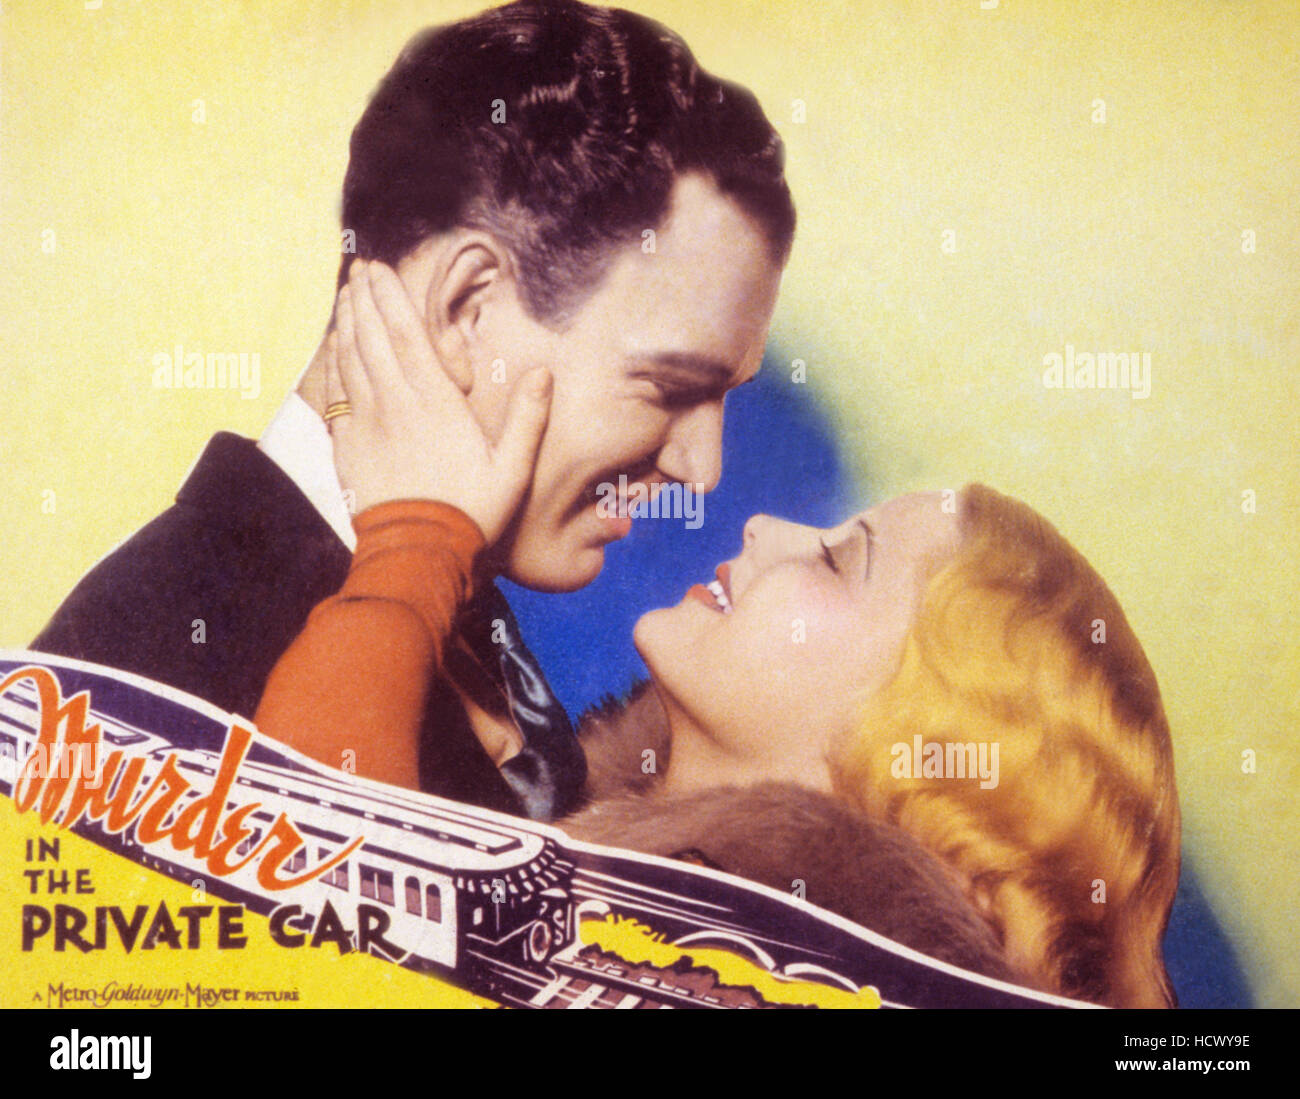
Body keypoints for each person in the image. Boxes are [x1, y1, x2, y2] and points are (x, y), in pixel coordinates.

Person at [252, 262, 1182, 1008]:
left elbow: (288, 905)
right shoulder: (586, 834)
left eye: (834, 561)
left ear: (927, 777)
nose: (763, 528)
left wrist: (413, 541)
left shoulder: (731, 979)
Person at [29, 0, 794, 821]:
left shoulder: (472, 631)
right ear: (467, 308)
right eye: (672, 388)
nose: (703, 468)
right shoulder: (156, 657)